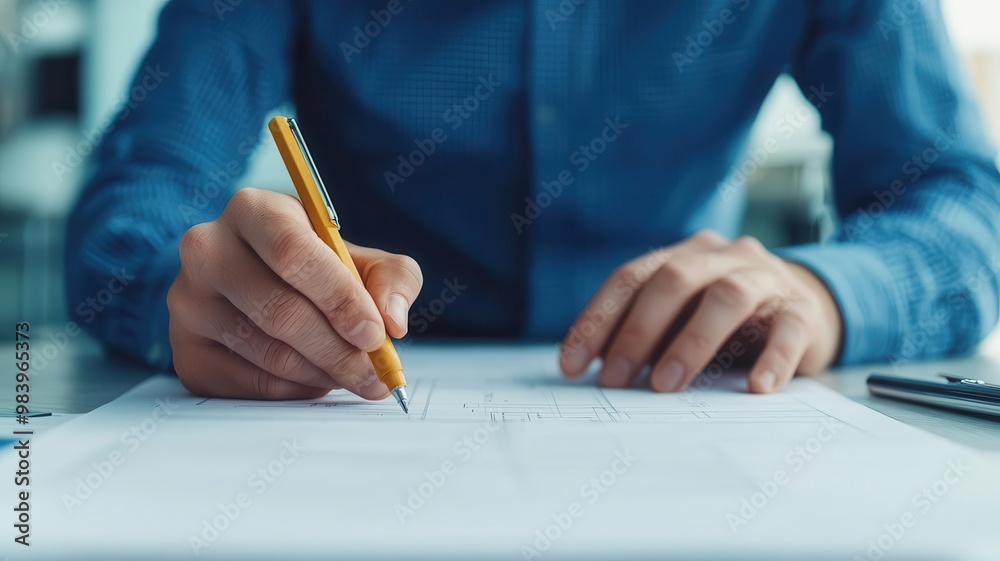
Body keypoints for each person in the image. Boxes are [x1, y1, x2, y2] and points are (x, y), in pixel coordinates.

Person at [66, 0, 1000, 401]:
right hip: (349, 395)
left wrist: (827, 293)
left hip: (691, 396)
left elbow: (963, 201)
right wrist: (185, 301)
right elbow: (135, 206)